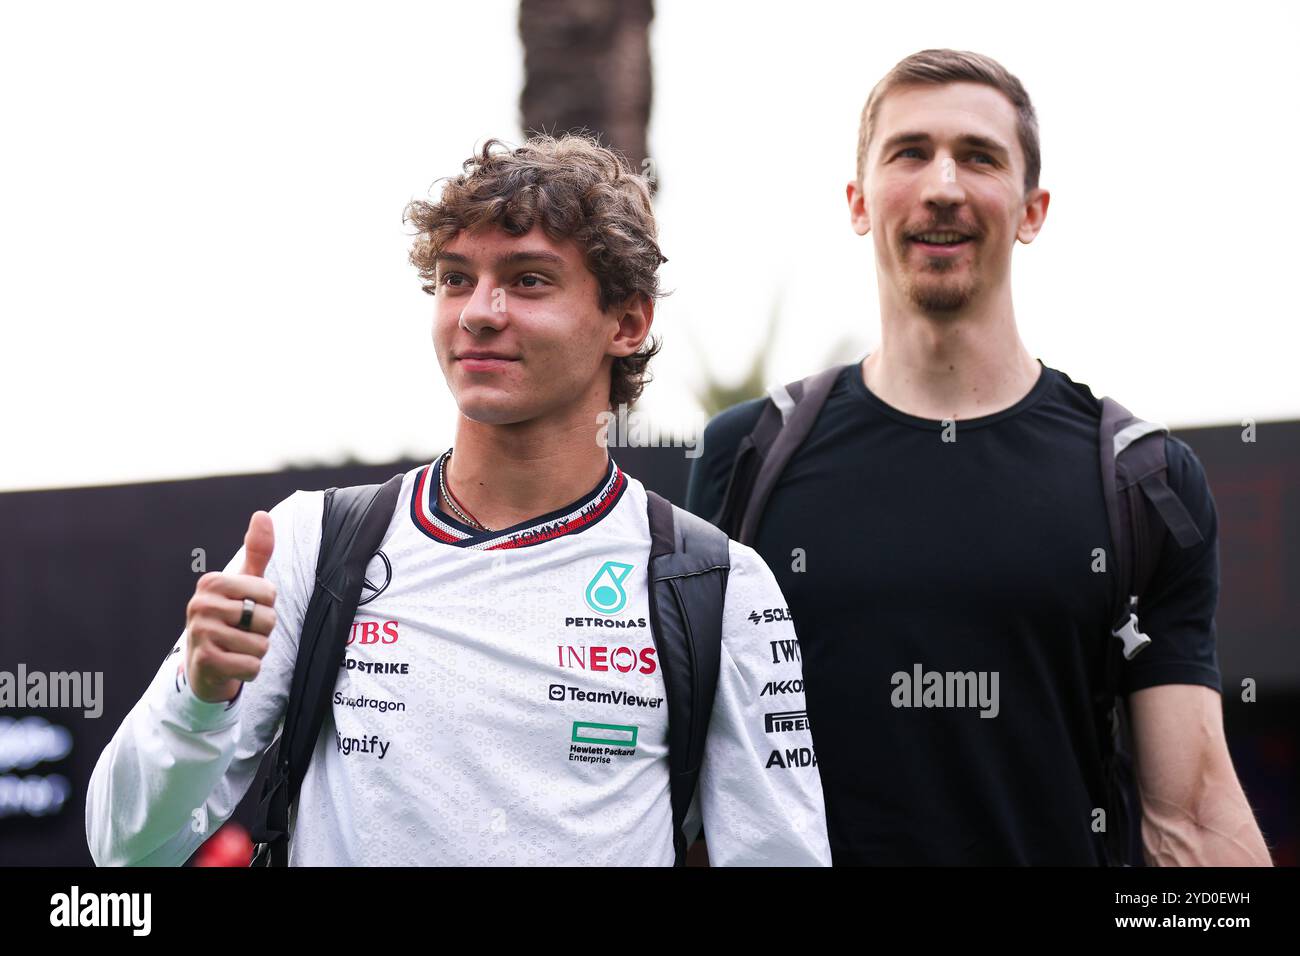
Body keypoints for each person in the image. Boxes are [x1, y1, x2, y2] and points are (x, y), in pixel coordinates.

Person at [86, 135, 831, 867]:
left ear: (627, 322)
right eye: (453, 278)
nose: (479, 311)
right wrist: (199, 697)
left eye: (530, 279)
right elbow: (125, 850)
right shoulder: (312, 542)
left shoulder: (718, 584)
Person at [686, 50, 1271, 866]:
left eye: (980, 157)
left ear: (1032, 210)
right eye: (910, 152)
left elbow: (1195, 820)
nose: (944, 187)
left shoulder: (1143, 480)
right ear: (859, 202)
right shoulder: (750, 455)